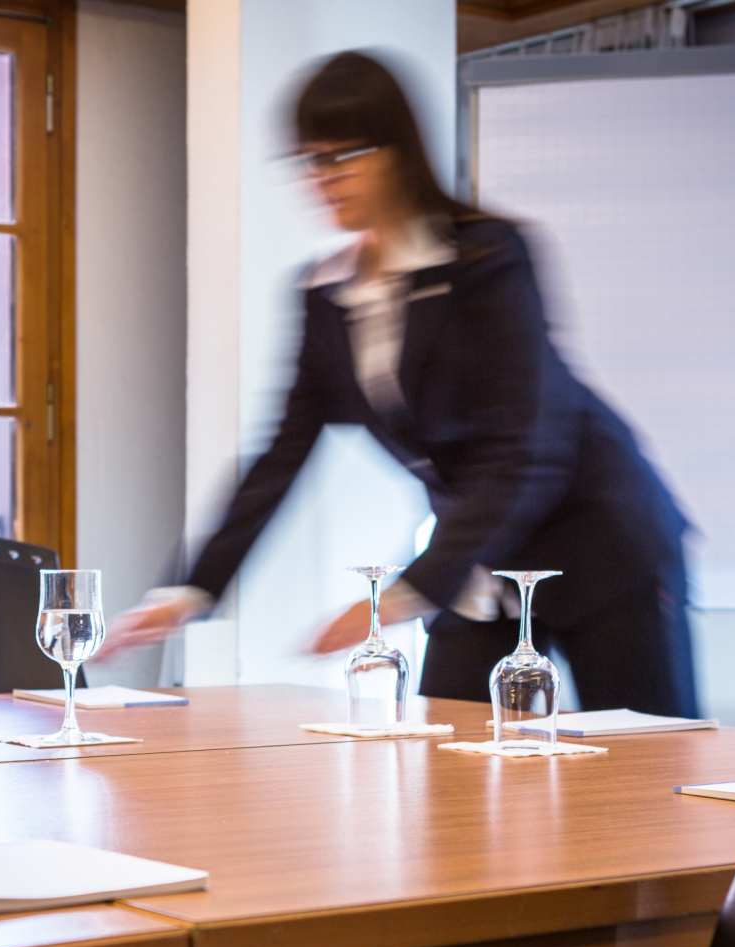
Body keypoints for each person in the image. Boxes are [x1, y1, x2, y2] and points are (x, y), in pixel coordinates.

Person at [102, 50, 697, 719]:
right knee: (449, 774)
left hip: (602, 542)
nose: (321, 179)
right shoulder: (328, 296)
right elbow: (281, 455)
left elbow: (526, 448)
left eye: (341, 155)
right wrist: (192, 589)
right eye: (308, 160)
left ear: (397, 149)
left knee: (646, 763)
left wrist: (408, 591)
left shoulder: (488, 257)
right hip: (478, 565)